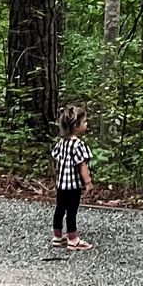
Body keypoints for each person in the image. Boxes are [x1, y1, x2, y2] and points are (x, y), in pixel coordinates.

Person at [51, 104, 93, 254]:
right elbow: (82, 165)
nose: (86, 124)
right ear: (76, 126)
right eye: (84, 122)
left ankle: (57, 236)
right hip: (73, 185)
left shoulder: (61, 143)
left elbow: (56, 158)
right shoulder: (79, 145)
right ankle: (73, 239)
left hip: (61, 184)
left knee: (60, 208)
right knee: (72, 211)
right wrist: (88, 182)